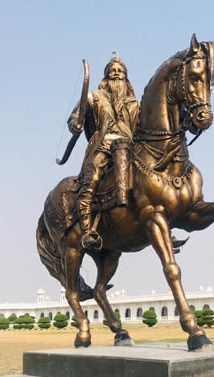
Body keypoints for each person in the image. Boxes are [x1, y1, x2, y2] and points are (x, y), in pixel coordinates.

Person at [68, 53, 139, 250]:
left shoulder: (134, 104)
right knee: (91, 180)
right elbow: (75, 117)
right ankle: (86, 228)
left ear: (126, 77)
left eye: (120, 71)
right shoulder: (94, 97)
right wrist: (75, 123)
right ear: (106, 76)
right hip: (104, 145)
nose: (116, 74)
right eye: (112, 71)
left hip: (130, 148)